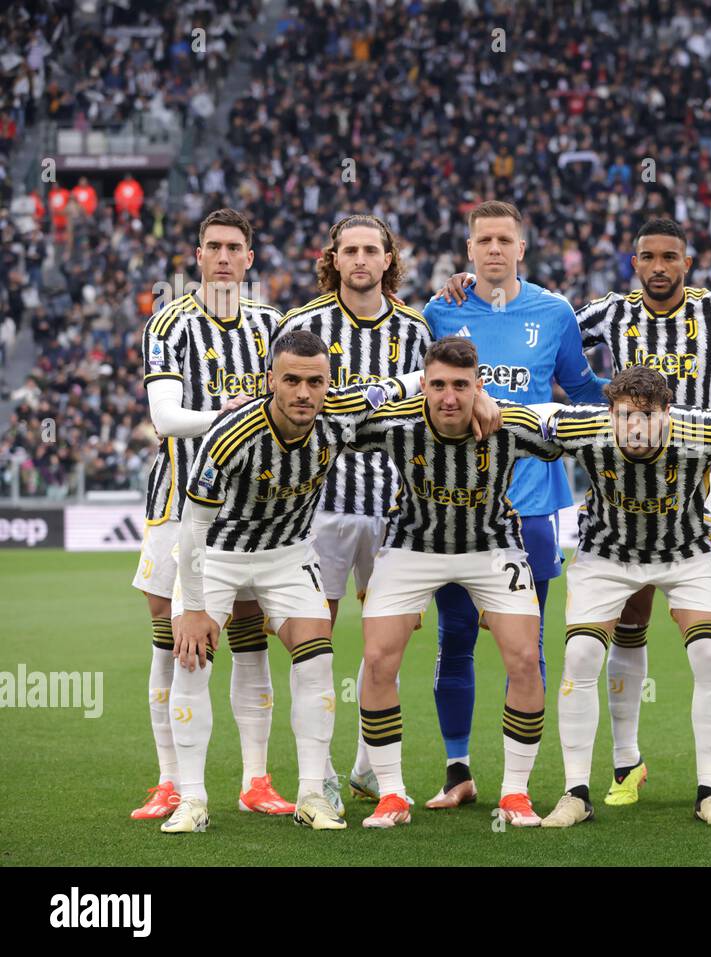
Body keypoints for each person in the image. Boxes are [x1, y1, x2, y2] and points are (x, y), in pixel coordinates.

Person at [163, 330, 423, 833]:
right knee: (192, 660)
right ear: (270, 382)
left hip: (287, 556)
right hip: (216, 556)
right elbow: (193, 526)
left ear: (329, 384)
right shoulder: (233, 432)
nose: (304, 393)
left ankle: (311, 795)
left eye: (315, 381)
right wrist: (194, 607)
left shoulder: (342, 412)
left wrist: (477, 396)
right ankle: (191, 799)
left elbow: (402, 383)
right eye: (292, 381)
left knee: (318, 659)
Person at [420, 200, 608, 809]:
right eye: (484, 240)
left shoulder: (554, 312)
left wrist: (645, 398)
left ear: (521, 248)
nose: (495, 249)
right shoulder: (441, 309)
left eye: (505, 239)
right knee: (455, 639)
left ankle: (519, 785)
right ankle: (457, 770)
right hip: (454, 505)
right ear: (469, 249)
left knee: (526, 649)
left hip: (530, 506)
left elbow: (581, 390)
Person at [537, 366, 711, 829]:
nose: (636, 426)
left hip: (684, 553)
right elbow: (536, 416)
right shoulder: (587, 430)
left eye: (648, 416)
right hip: (606, 554)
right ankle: (575, 793)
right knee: (582, 653)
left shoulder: (698, 431)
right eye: (625, 415)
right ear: (609, 413)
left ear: (668, 414)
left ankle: (710, 791)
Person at [345, 336, 556, 828]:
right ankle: (392, 794)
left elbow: (568, 427)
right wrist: (395, 389)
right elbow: (340, 416)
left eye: (461, 386)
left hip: (491, 547)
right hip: (413, 546)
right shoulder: (398, 426)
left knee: (526, 658)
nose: (449, 397)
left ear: (478, 386)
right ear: (423, 386)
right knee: (377, 659)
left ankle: (516, 794)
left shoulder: (508, 424)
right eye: (437, 385)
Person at [273, 214, 442, 810]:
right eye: (351, 250)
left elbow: (431, 408)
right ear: (335, 259)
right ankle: (315, 774)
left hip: (396, 510)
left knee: (384, 650)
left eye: (373, 250)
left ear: (389, 258)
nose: (362, 260)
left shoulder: (417, 330)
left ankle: (371, 766)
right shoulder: (302, 325)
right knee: (311, 641)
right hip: (318, 509)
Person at [131, 208, 290, 821]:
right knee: (172, 640)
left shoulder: (272, 324)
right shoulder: (168, 324)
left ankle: (256, 780)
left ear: (250, 259)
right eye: (212, 246)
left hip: (250, 504)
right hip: (177, 500)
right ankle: (170, 781)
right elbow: (166, 418)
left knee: (250, 639)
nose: (223, 257)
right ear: (197, 255)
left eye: (235, 248)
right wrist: (238, 414)